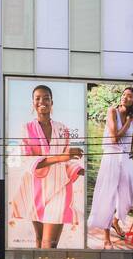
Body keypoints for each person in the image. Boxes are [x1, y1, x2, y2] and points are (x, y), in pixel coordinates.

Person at [8, 84, 84, 249]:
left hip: (59, 188)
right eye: (38, 98)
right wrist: (61, 157)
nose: (42, 101)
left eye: (46, 98)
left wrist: (79, 168)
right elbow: (29, 160)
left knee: (48, 244)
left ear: (52, 102)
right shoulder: (26, 128)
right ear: (33, 102)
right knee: (40, 239)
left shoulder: (63, 129)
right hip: (35, 189)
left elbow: (66, 160)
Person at [87, 86, 133, 248]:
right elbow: (115, 137)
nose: (125, 97)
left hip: (125, 158)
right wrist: (129, 122)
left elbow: (130, 143)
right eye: (123, 95)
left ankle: (115, 221)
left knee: (129, 198)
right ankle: (106, 237)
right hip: (111, 155)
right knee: (108, 195)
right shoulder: (113, 112)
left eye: (129, 96)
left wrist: (131, 153)